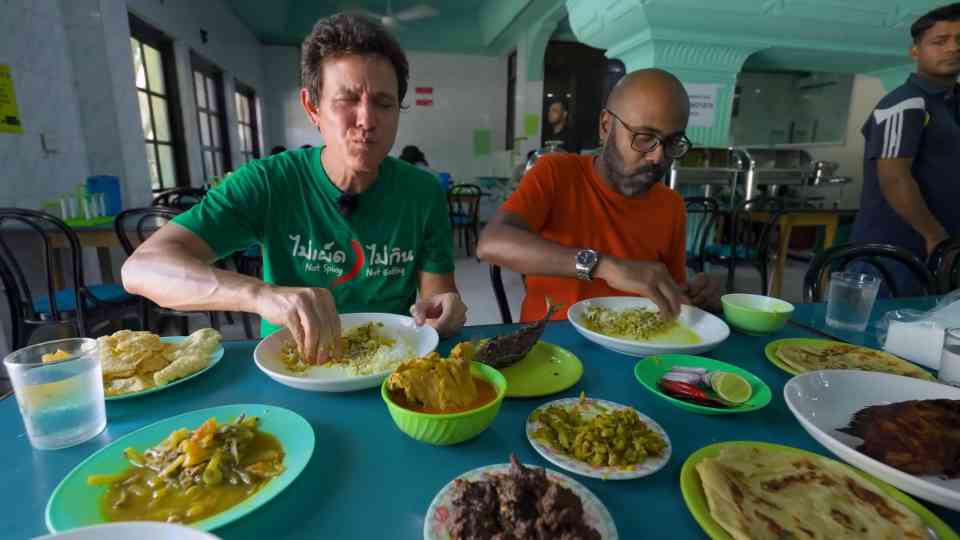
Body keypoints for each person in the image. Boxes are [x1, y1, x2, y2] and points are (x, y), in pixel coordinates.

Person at [122, 14, 467, 363]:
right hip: (293, 368)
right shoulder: (269, 184)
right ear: (312, 108)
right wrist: (258, 294)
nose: (367, 120)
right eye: (346, 100)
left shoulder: (423, 192)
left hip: (393, 366)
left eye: (383, 103)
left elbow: (437, 296)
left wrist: (445, 308)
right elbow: (141, 269)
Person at [477, 69, 721, 322]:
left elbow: (671, 297)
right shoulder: (556, 173)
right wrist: (603, 266)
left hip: (637, 348)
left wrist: (697, 297)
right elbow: (492, 242)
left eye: (673, 142)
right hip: (553, 346)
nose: (657, 156)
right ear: (606, 126)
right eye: (645, 137)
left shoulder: (671, 205)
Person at [850, 3, 960, 293]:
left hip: (941, 252)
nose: (952, 48)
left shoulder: (949, 106)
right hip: (896, 253)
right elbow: (893, 176)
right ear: (915, 51)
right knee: (879, 336)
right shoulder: (906, 103)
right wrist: (935, 236)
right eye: (940, 41)